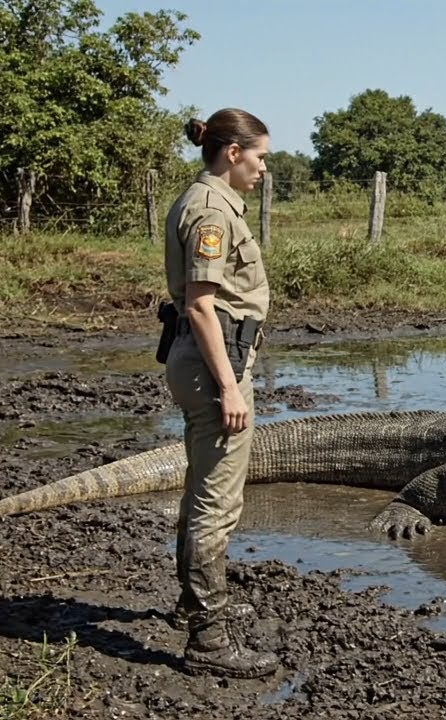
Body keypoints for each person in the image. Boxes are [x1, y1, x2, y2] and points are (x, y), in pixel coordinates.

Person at [160, 108, 278, 678]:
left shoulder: (206, 200)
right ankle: (209, 640)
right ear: (232, 152)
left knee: (200, 486)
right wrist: (231, 388)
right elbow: (202, 304)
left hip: (204, 361)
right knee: (216, 502)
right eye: (259, 156)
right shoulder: (212, 209)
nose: (262, 168)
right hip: (214, 366)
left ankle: (192, 605)